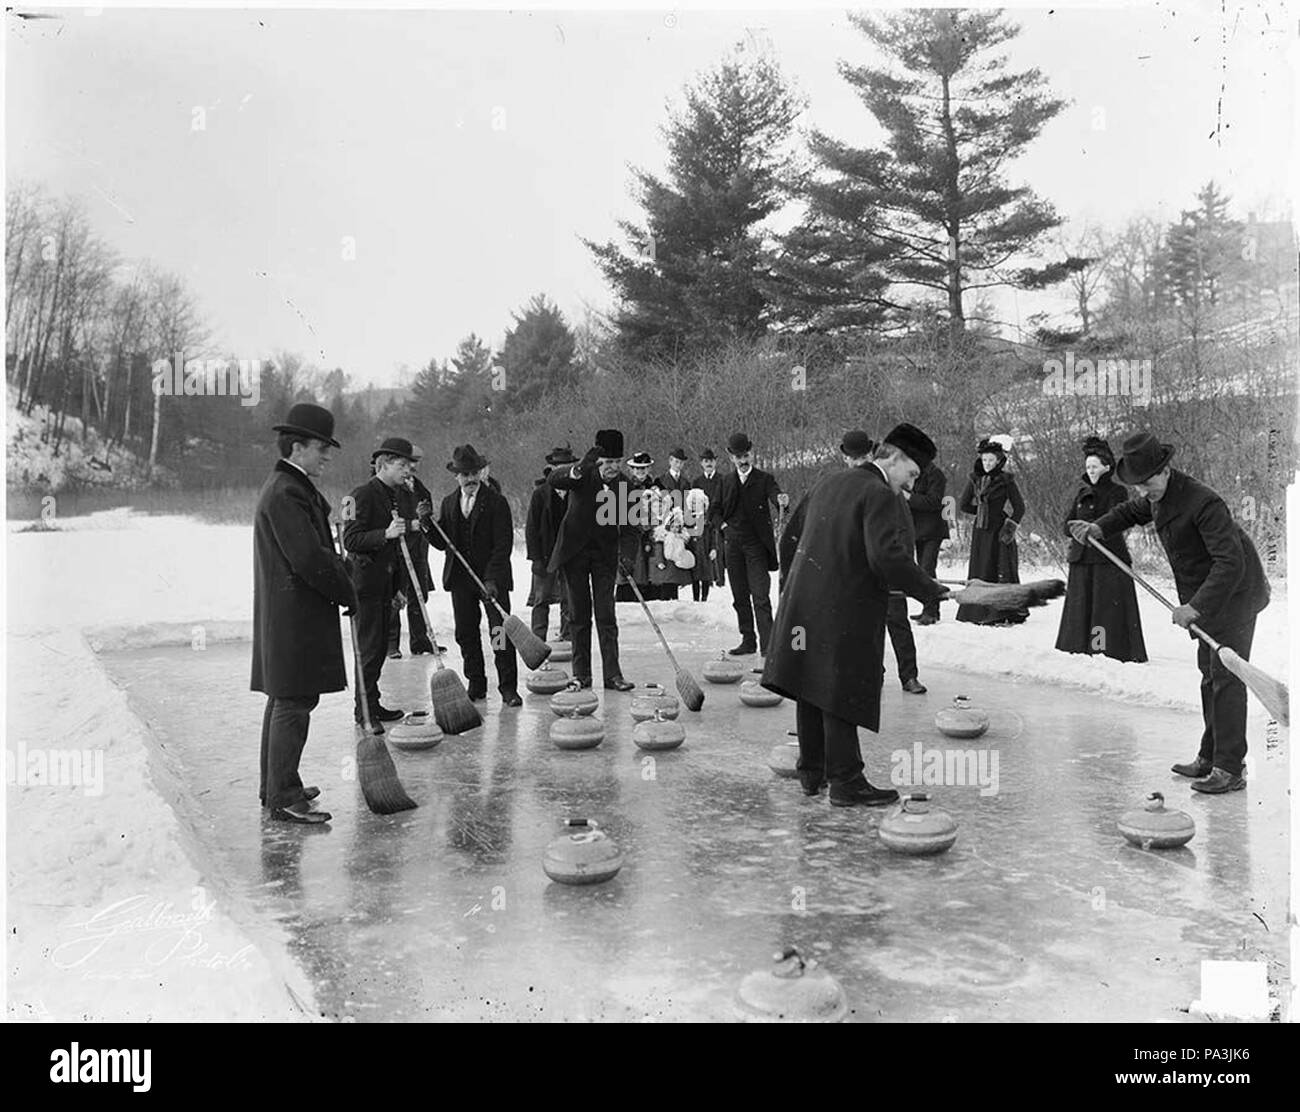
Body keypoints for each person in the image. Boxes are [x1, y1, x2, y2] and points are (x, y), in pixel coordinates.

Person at [1070, 432, 1269, 794]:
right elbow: (1131, 511)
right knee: (1209, 675)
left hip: (1236, 594)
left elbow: (1230, 563)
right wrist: (1100, 526)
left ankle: (1230, 767)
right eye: (1139, 485)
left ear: (1166, 471)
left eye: (1148, 483)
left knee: (1226, 679)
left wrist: (1195, 607)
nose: (1144, 491)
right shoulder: (1158, 496)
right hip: (1207, 595)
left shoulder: (1203, 503)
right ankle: (1210, 757)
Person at [763, 424, 950, 807]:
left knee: (811, 682)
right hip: (845, 605)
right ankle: (847, 781)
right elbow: (886, 558)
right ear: (894, 459)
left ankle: (812, 772)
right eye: (912, 474)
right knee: (839, 687)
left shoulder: (828, 482)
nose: (912, 486)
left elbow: (790, 539)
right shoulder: (878, 493)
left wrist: (794, 584)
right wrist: (931, 590)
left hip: (803, 602)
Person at [252, 402, 359, 825]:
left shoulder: (288, 487)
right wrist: (347, 589)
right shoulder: (286, 492)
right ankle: (282, 795)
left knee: (286, 697)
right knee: (293, 700)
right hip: (294, 615)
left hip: (290, 613)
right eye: (321, 448)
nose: (327, 456)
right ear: (298, 448)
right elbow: (309, 558)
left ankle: (277, 786)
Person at [425, 444, 521, 707]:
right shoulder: (448, 502)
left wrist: (491, 578)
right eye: (464, 474)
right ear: (456, 476)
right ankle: (476, 684)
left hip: (493, 581)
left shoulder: (496, 502)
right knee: (466, 634)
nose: (470, 479)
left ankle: (508, 687)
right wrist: (426, 524)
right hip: (460, 580)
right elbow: (442, 542)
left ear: (481, 472)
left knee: (499, 633)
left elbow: (503, 545)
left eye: (473, 473)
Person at [837, 431, 929, 695]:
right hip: (858, 571)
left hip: (887, 567)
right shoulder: (843, 487)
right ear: (845, 459)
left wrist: (900, 566)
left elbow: (903, 529)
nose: (857, 463)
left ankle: (909, 675)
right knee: (863, 625)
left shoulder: (887, 486)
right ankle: (872, 673)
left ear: (871, 455)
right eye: (851, 459)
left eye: (862, 457)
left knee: (897, 620)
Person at [547, 429, 636, 691]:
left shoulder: (625, 486)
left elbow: (630, 529)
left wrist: (628, 558)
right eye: (608, 463)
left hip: (604, 557)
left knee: (606, 615)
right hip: (574, 554)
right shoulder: (581, 476)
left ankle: (613, 676)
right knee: (579, 616)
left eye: (617, 463)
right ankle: (582, 675)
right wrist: (578, 468)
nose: (613, 468)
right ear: (598, 462)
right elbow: (554, 479)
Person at [342, 437, 417, 727]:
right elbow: (350, 539)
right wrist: (383, 534)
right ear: (383, 465)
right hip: (364, 585)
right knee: (369, 650)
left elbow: (396, 548)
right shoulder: (358, 495)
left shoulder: (392, 494)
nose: (407, 471)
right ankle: (364, 712)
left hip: (384, 584)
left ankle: (372, 704)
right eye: (401, 465)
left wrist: (398, 586)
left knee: (378, 650)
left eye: (408, 466)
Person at [1055, 435, 1147, 663]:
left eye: (1095, 466)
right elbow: (1067, 524)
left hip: (1108, 559)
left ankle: (1103, 647)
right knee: (1081, 606)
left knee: (1104, 609)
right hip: (1081, 558)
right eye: (1088, 467)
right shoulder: (1081, 493)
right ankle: (1078, 646)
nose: (1091, 471)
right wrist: (1074, 529)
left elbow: (1117, 523)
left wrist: (1095, 530)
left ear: (1107, 467)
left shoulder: (1117, 492)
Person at [713, 432, 788, 656]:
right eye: (738, 457)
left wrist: (782, 500)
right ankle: (748, 640)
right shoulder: (725, 481)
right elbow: (714, 511)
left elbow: (776, 497)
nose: (743, 461)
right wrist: (724, 527)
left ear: (751, 454)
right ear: (731, 458)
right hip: (732, 545)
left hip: (756, 546)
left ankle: (769, 646)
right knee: (740, 596)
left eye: (746, 455)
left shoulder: (764, 479)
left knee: (761, 596)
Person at [956, 435, 1028, 626]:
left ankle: (1000, 612)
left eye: (991, 460)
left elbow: (1019, 508)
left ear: (999, 461)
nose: (987, 464)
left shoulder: (1006, 480)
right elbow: (963, 505)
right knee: (980, 568)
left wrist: (1009, 527)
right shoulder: (974, 480)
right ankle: (976, 611)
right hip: (980, 531)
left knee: (999, 568)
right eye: (984, 460)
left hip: (999, 530)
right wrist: (981, 511)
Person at [388, 444, 436, 658]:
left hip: (418, 549)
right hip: (398, 550)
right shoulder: (391, 488)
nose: (413, 468)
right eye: (409, 463)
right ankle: (391, 644)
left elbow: (427, 512)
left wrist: (425, 521)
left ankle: (420, 641)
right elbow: (390, 520)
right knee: (396, 595)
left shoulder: (419, 487)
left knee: (419, 594)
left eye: (415, 463)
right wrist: (411, 525)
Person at [525, 446, 576, 643]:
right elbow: (531, 529)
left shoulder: (577, 492)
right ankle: (538, 640)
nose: (562, 471)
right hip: (546, 555)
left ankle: (568, 636)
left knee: (569, 598)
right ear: (551, 468)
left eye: (566, 467)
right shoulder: (540, 493)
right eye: (558, 467)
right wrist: (535, 558)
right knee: (541, 599)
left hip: (570, 554)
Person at [907, 458, 949, 625]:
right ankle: (930, 608)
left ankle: (931, 611)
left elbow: (934, 501)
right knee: (922, 569)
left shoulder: (935, 474)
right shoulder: (911, 474)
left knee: (927, 569)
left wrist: (909, 497)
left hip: (933, 529)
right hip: (918, 529)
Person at [690, 448, 725, 601]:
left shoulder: (723, 480)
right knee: (701, 558)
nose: (708, 464)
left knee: (717, 551)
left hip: (717, 521)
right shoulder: (697, 482)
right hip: (700, 523)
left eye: (711, 461)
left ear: (715, 462)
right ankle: (700, 592)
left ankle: (719, 579)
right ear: (701, 464)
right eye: (705, 461)